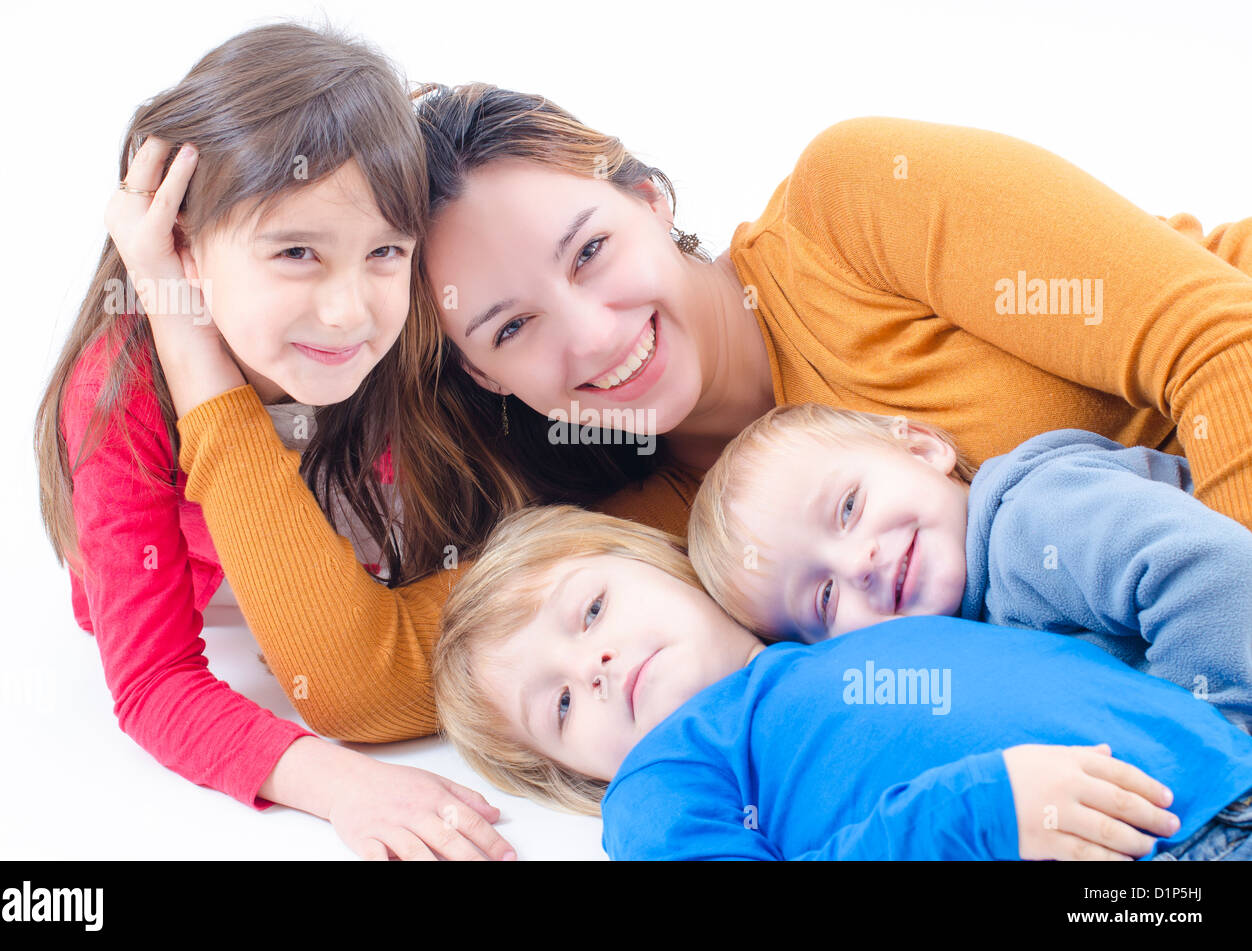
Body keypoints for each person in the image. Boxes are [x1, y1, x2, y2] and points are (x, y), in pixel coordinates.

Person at [110, 85, 1252, 759]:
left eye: (591, 252)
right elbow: (349, 682)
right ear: (487, 380)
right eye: (510, 329)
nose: (594, 339)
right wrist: (184, 328)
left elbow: (1219, 344)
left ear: (646, 198)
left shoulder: (853, 209)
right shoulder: (657, 534)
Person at [35, 22, 515, 861]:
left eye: (383, 251)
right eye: (296, 251)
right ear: (179, 246)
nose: (348, 310)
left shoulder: (409, 336)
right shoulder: (122, 388)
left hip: (352, 560)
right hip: (206, 587)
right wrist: (343, 785)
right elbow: (153, 682)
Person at [431, 506, 1252, 861]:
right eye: (563, 705)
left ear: (664, 564)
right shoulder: (662, 779)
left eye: (593, 610)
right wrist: (980, 811)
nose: (595, 665)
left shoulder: (845, 618)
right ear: (578, 773)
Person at [684, 403, 1252, 733]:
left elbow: (1213, 578)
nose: (859, 564)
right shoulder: (975, 642)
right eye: (825, 597)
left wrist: (1205, 750)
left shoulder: (1032, 519)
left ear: (922, 450)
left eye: (849, 508)